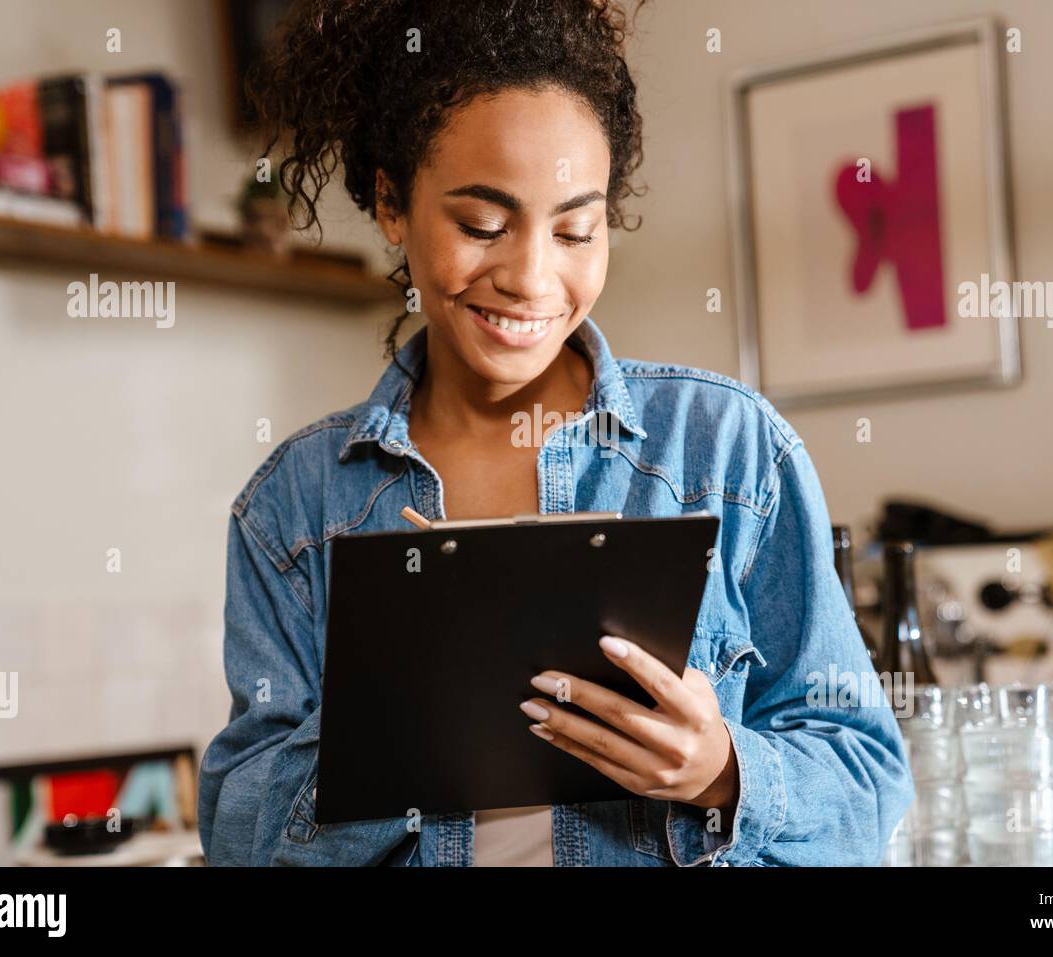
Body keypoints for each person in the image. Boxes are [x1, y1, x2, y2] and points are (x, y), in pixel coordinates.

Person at [197, 0, 913, 866]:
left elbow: (869, 787)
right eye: (482, 225)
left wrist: (722, 769)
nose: (533, 277)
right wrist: (400, 703)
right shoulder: (294, 505)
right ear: (392, 203)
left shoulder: (729, 450)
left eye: (576, 229)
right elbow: (237, 833)